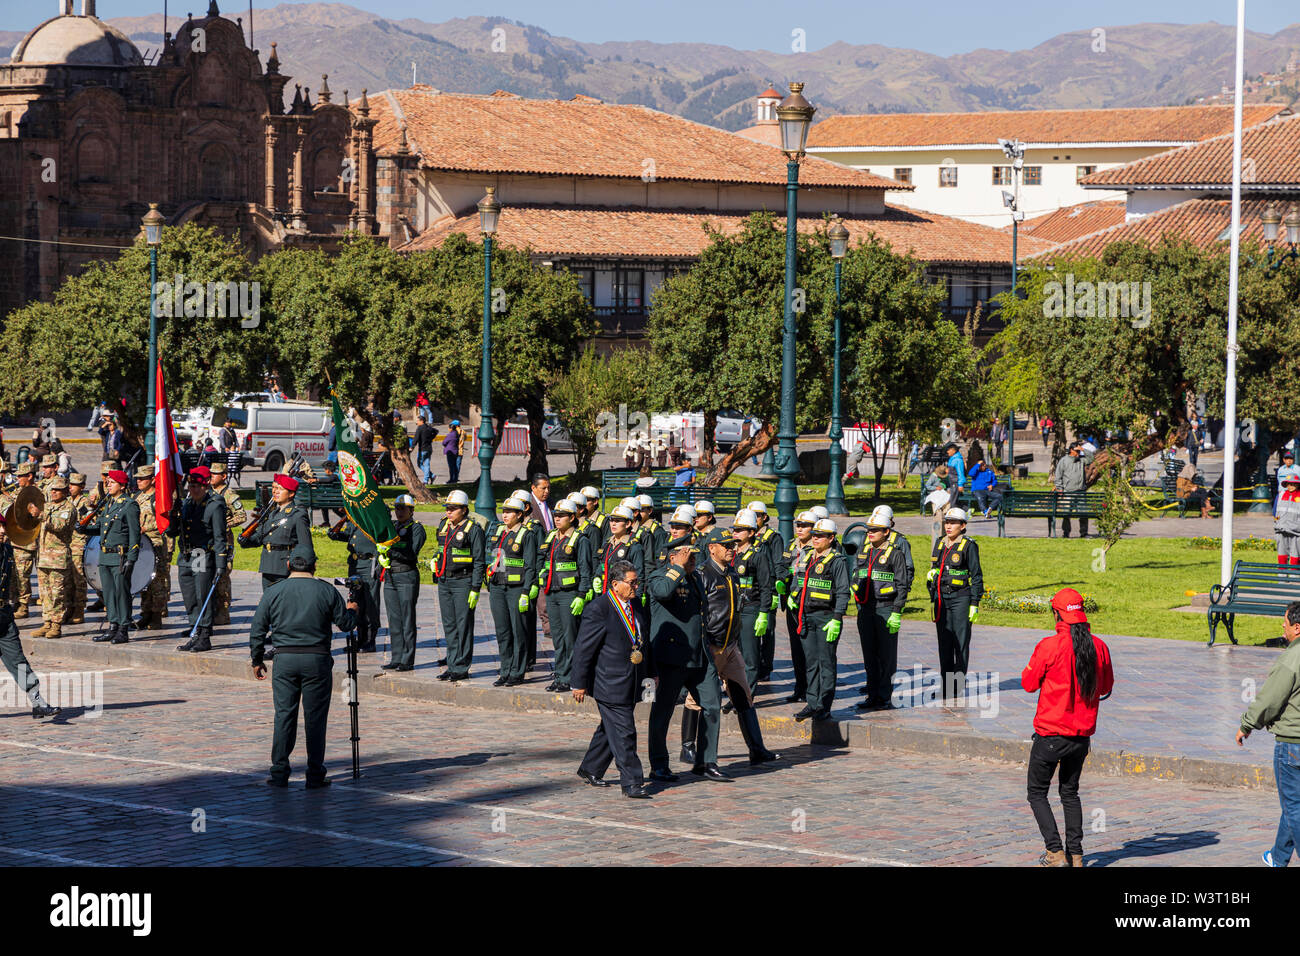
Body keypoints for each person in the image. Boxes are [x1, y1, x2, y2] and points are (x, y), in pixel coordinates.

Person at [1022, 588, 1114, 867]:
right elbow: (1106, 687)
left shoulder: (1050, 646)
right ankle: (1076, 855)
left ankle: (1055, 852)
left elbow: (1028, 683)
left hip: (1051, 732)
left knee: (1037, 792)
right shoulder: (1098, 646)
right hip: (1081, 736)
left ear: (1057, 614)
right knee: (1069, 792)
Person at [251, 554, 358, 788]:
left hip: (285, 659)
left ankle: (279, 772)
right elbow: (347, 624)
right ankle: (315, 773)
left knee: (284, 715)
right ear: (315, 565)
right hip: (316, 659)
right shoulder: (326, 590)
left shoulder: (274, 591)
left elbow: (258, 627)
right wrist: (352, 609)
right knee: (315, 719)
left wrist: (257, 659)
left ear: (288, 565)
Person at [571, 559, 649, 798]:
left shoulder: (637, 606)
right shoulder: (599, 609)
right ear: (616, 584)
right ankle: (632, 781)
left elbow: (646, 642)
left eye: (637, 582)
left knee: (611, 727)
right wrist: (578, 683)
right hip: (609, 682)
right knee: (625, 731)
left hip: (632, 679)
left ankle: (590, 768)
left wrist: (651, 672)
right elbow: (584, 649)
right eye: (632, 583)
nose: (636, 587)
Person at [646, 534, 717, 782]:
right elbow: (663, 592)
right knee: (662, 713)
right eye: (689, 555)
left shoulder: (695, 576)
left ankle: (706, 762)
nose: (694, 560)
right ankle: (658, 765)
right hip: (671, 657)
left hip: (699, 654)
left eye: (695, 556)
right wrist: (677, 568)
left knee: (712, 706)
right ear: (674, 555)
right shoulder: (659, 575)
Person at [1236, 601, 1300, 867]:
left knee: (1294, 806)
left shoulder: (1291, 659)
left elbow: (1270, 699)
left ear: (1297, 627)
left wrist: (1247, 725)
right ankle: (1278, 856)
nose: (1282, 628)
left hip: (1291, 744)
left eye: (1285, 624)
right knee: (1294, 803)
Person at [0, 518, 61, 718]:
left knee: (17, 660)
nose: (2, 531)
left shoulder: (7, 550)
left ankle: (38, 702)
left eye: (3, 527)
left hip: (3, 616)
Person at [854, 505, 913, 712]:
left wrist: (897, 611)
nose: (870, 533)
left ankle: (884, 696)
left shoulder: (895, 553)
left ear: (886, 531)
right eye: (868, 530)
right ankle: (872, 694)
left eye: (874, 530)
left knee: (886, 656)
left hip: (886, 607)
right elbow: (856, 572)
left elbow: (902, 583)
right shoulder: (865, 550)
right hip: (866, 608)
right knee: (869, 654)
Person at [792, 518, 850, 722]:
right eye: (814, 535)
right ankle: (812, 702)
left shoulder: (837, 561)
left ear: (831, 538)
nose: (815, 538)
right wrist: (793, 595)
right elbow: (798, 579)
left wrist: (837, 617)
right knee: (811, 662)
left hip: (827, 617)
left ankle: (824, 705)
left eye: (820, 536)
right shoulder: (807, 556)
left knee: (826, 662)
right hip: (806, 616)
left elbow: (843, 591)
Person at [76, 468, 139, 645]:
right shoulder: (109, 503)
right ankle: (113, 626)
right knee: (109, 594)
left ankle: (123, 628)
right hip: (105, 557)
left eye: (112, 482)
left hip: (120, 556)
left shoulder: (129, 505)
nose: (108, 485)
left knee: (122, 594)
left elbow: (135, 535)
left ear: (122, 485)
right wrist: (85, 529)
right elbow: (102, 528)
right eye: (108, 482)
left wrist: (131, 559)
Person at [169, 466, 229, 653]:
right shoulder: (187, 504)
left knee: (202, 595)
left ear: (206, 486)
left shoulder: (215, 504)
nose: (193, 489)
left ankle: (204, 636)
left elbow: (220, 537)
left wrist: (220, 564)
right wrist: (173, 514)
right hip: (186, 555)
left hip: (202, 555)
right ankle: (195, 629)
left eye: (197, 486)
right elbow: (173, 532)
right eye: (191, 486)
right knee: (189, 596)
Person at [927, 508, 984, 702]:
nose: (949, 526)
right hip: (941, 599)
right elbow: (935, 567)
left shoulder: (969, 546)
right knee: (944, 644)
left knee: (960, 644)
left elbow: (976, 576)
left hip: (961, 598)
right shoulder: (940, 543)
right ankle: (946, 686)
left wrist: (974, 603)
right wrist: (931, 578)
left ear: (963, 526)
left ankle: (957, 687)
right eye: (947, 522)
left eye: (953, 522)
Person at [429, 489, 485, 681]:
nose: (448, 512)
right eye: (447, 508)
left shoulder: (473, 529)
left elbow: (479, 561)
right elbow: (441, 550)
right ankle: (452, 664)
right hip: (445, 580)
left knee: (463, 625)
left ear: (463, 509)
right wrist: (435, 561)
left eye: (453, 509)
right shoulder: (444, 525)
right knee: (449, 625)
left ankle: (461, 667)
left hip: (463, 581)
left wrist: (475, 588)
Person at [538, 498, 593, 693]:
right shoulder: (552, 537)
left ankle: (571, 677)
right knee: (558, 637)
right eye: (555, 515)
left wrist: (581, 594)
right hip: (552, 592)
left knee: (571, 638)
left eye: (561, 516)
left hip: (570, 594)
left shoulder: (580, 539)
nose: (557, 519)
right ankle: (560, 674)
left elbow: (586, 569)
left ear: (572, 517)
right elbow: (544, 562)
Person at [488, 495, 538, 687]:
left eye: (509, 512)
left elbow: (530, 565)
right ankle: (505, 669)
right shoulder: (499, 532)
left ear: (520, 514)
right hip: (498, 586)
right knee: (503, 631)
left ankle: (518, 671)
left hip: (517, 588)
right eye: (503, 511)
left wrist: (526, 591)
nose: (505, 515)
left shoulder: (527, 534)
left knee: (518, 630)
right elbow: (496, 559)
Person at [376, 494, 425, 672]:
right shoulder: (394, 527)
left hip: (406, 575)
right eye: (397, 508)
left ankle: (407, 658)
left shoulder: (416, 528)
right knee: (394, 619)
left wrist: (391, 551)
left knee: (407, 618)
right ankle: (396, 656)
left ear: (411, 510)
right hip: (391, 575)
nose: (399, 511)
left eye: (403, 508)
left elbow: (411, 552)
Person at [775, 510, 816, 703]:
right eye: (798, 525)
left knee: (810, 650)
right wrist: (783, 578)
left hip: (809, 604)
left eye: (804, 525)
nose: (799, 528)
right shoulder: (791, 544)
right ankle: (799, 687)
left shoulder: (818, 547)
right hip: (791, 603)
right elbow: (781, 565)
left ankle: (812, 690)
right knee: (796, 648)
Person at [731, 509, 774, 693]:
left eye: (741, 530)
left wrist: (764, 613)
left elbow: (766, 586)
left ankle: (747, 694)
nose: (736, 533)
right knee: (734, 654)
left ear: (751, 533)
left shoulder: (758, 554)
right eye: (735, 529)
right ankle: (735, 690)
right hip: (734, 609)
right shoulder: (730, 553)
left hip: (751, 608)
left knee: (749, 655)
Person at [29, 476, 75, 639]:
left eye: (58, 490)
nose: (54, 492)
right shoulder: (47, 506)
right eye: (53, 489)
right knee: (45, 593)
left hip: (58, 559)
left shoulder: (68, 508)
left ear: (64, 491)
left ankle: (56, 625)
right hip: (43, 557)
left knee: (57, 594)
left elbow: (59, 526)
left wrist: (40, 515)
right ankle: (47, 622)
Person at [208, 461, 247, 627]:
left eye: (215, 474)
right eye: (210, 473)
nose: (211, 476)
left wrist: (224, 524)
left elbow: (242, 516)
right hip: (208, 541)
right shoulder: (207, 492)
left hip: (224, 543)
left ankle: (223, 613)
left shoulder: (230, 495)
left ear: (224, 476)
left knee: (222, 577)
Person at [133, 465, 170, 632]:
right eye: (137, 479)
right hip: (141, 546)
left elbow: (164, 522)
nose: (139, 481)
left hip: (155, 545)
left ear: (152, 480)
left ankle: (156, 616)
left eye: (142, 478)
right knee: (144, 581)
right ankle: (145, 613)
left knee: (157, 582)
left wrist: (144, 528)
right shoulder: (137, 497)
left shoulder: (158, 498)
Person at [527, 473, 554, 669]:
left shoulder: (548, 505)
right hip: (537, 555)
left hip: (549, 554)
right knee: (541, 597)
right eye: (543, 488)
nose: (546, 491)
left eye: (548, 488)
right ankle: (547, 626)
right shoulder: (528, 506)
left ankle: (549, 626)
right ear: (533, 488)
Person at [1053, 441, 1094, 538]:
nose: (1079, 453)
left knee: (1083, 513)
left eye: (1079, 451)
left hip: (1080, 491)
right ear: (1071, 450)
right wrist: (1059, 489)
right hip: (1068, 492)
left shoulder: (1081, 460)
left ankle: (1084, 533)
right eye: (1077, 451)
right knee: (1066, 513)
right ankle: (1066, 532)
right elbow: (1058, 476)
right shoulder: (1063, 461)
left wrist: (1083, 449)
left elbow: (1091, 458)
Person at [65, 473, 89, 624]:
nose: (70, 487)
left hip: (79, 544)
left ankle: (79, 609)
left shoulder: (84, 502)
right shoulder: (66, 500)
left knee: (79, 578)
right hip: (67, 544)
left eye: (73, 485)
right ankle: (69, 607)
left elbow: (83, 523)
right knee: (67, 580)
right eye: (69, 484)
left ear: (82, 487)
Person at [1275, 474, 1300, 567]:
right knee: (1282, 556)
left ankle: (1295, 579)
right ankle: (1282, 579)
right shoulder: (1281, 495)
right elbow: (1275, 511)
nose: (1291, 486)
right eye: (1289, 484)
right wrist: (1277, 523)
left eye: (1294, 484)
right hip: (1281, 529)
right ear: (1286, 484)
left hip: (1296, 532)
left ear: (1298, 485)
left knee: (1295, 558)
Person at [414, 418, 437, 485]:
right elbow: (436, 431)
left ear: (422, 421)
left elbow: (416, 438)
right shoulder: (428, 427)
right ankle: (427, 479)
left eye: (418, 421)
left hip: (422, 449)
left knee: (419, 464)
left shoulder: (420, 428)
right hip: (429, 449)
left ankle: (431, 476)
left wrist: (412, 446)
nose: (417, 422)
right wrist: (431, 438)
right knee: (427, 464)